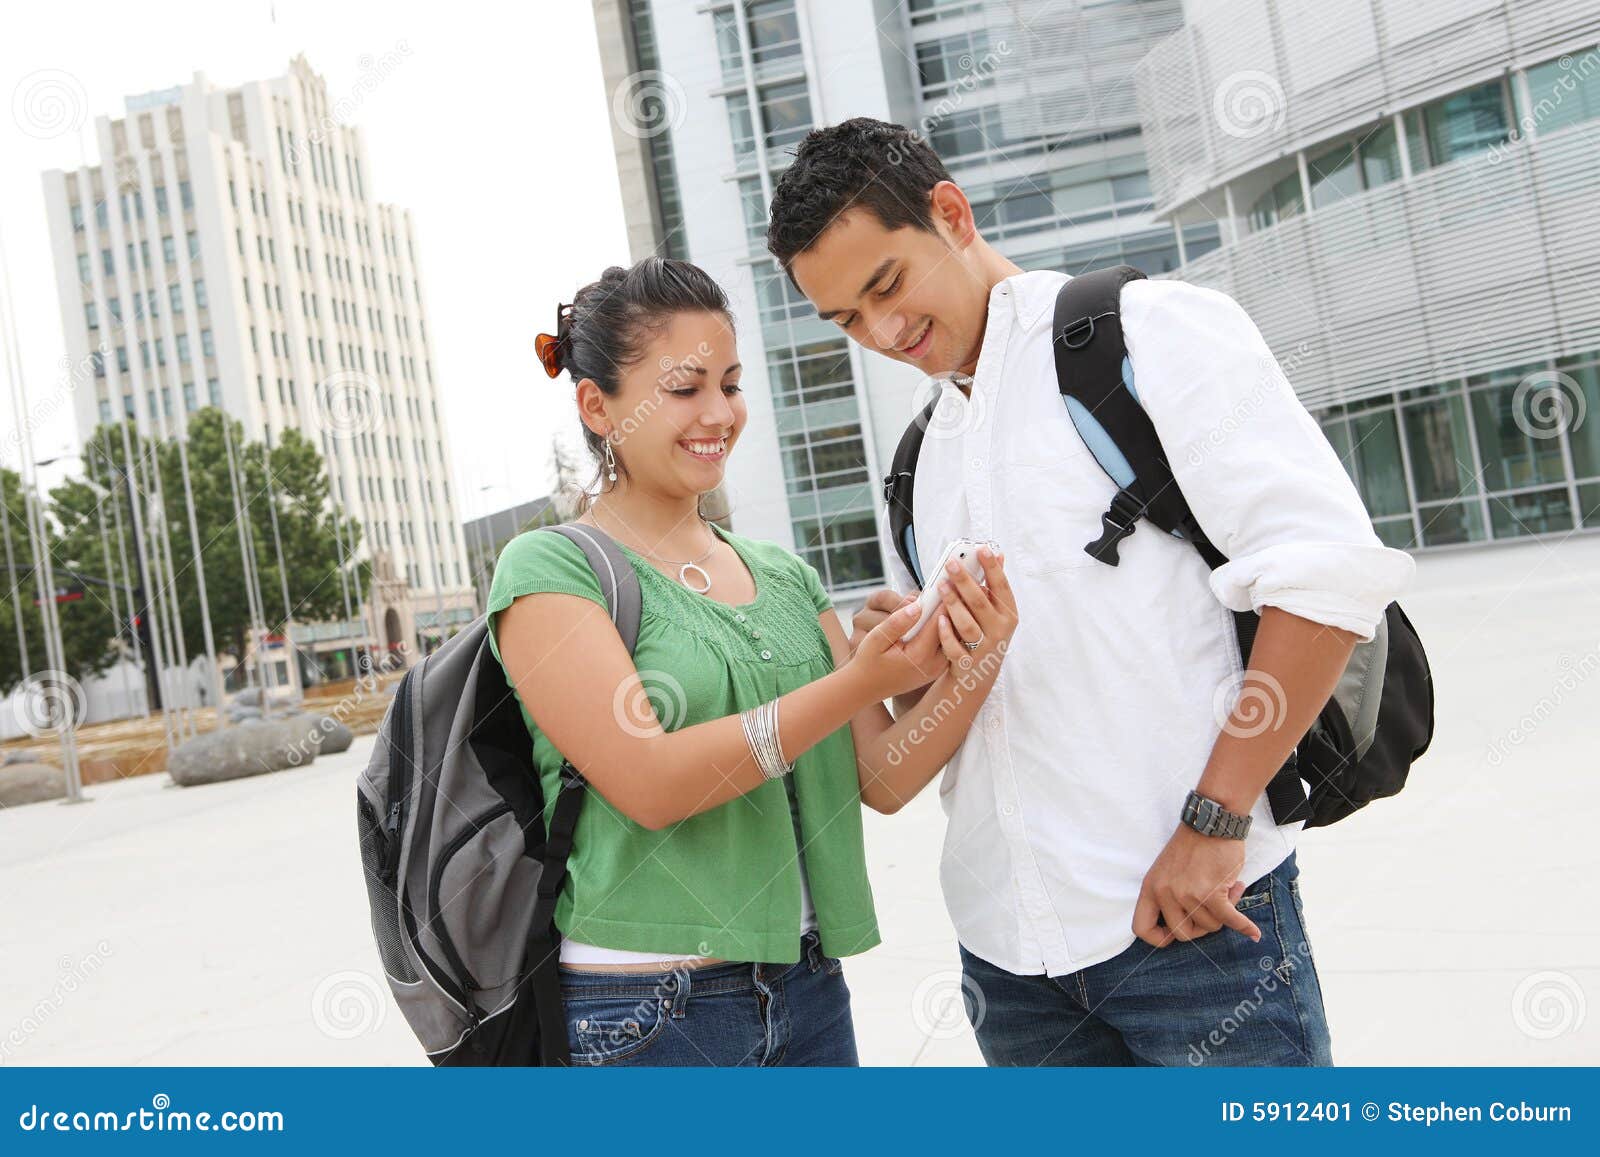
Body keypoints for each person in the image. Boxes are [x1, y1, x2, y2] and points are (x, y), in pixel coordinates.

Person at [765, 118, 1416, 1066]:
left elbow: (1325, 577)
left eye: (887, 285)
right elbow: (932, 719)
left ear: (951, 213)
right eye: (847, 321)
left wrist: (1216, 820)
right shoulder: (916, 457)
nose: (883, 333)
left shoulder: (1146, 335)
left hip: (1194, 927)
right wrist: (907, 660)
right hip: (1009, 965)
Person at [486, 256, 1019, 1066]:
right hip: (645, 1012)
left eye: (730, 384)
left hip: (806, 987)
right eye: (684, 387)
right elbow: (654, 785)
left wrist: (970, 659)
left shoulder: (782, 575)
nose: (719, 413)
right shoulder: (550, 571)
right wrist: (857, 682)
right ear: (599, 406)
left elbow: (879, 776)